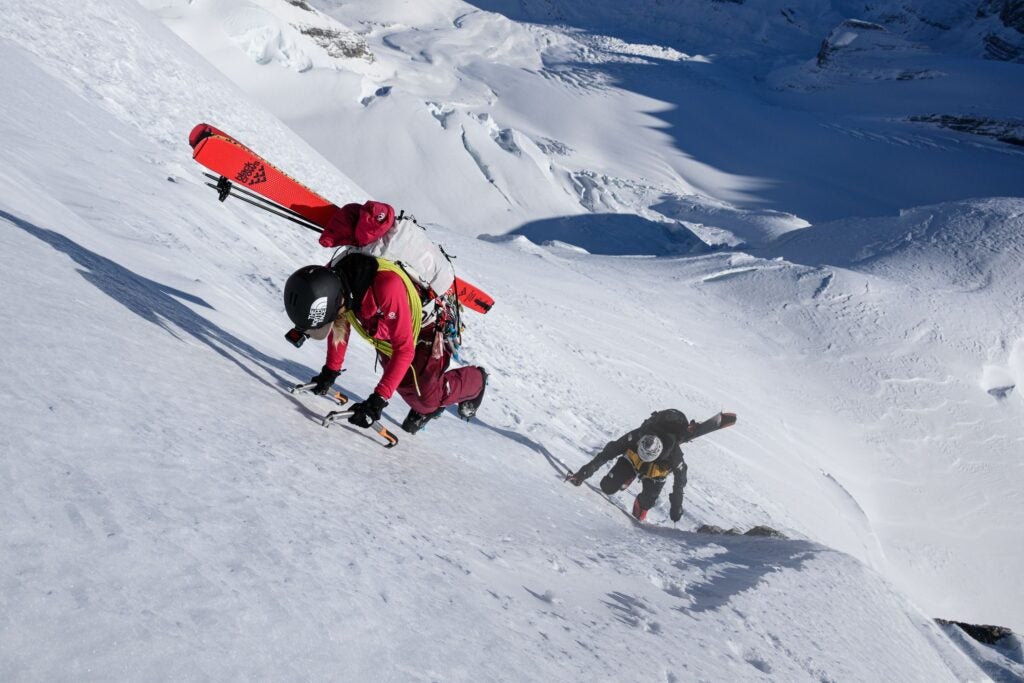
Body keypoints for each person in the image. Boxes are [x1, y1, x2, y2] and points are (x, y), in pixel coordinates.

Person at [283, 251, 487, 434]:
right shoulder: (332, 279)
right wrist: (330, 371)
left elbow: (404, 350)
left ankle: (476, 381)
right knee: (403, 383)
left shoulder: (386, 286)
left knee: (426, 397)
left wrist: (377, 401)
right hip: (387, 328)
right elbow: (340, 322)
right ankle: (425, 404)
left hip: (428, 328)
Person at [566, 410, 694, 522]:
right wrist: (583, 473)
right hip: (633, 460)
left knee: (644, 506)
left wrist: (676, 506)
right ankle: (629, 475)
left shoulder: (674, 454)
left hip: (656, 471)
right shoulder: (637, 435)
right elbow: (609, 452)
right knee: (607, 487)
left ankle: (642, 503)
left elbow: (680, 481)